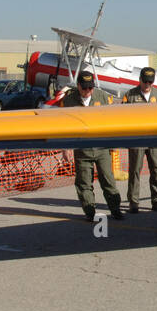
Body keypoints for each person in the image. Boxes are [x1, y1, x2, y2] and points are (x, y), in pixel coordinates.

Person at [61, 70, 124, 219]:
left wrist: (114, 143)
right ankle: (90, 212)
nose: (88, 91)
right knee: (84, 183)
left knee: (108, 180)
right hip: (82, 149)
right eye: (85, 88)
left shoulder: (103, 98)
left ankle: (115, 209)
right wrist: (65, 148)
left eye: (91, 87)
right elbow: (63, 126)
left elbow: (112, 121)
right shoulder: (68, 101)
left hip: (102, 148)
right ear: (78, 86)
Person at [123, 67, 157, 212]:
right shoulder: (130, 95)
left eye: (150, 82)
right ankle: (133, 202)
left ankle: (156, 200)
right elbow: (122, 117)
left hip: (155, 139)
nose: (147, 85)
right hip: (137, 139)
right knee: (135, 171)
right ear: (140, 80)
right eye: (145, 81)